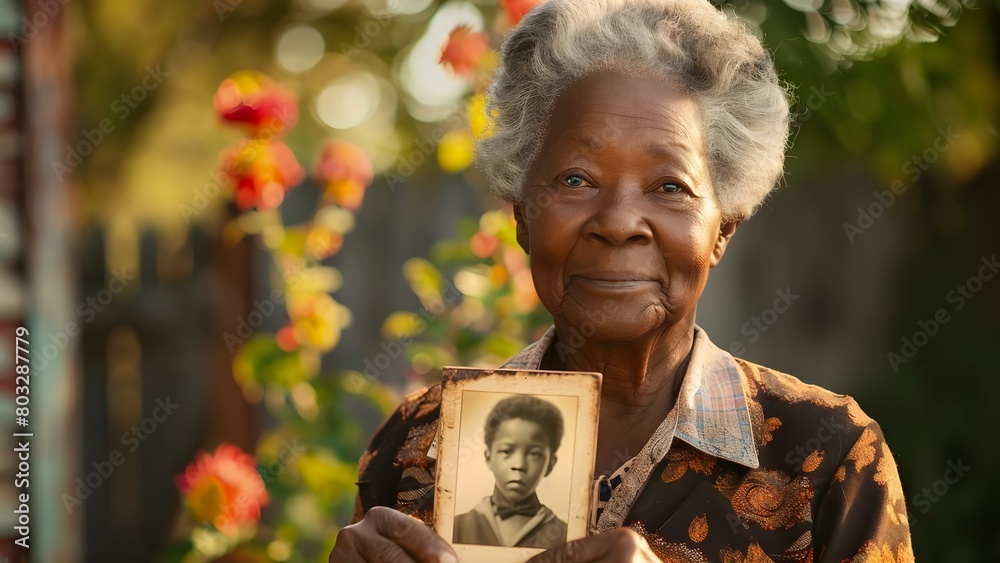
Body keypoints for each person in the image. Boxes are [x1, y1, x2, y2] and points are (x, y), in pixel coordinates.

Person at [331, 0, 914, 561]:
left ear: (723, 229)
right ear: (521, 214)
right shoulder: (413, 447)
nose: (617, 224)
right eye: (576, 179)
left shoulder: (828, 459)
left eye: (669, 187)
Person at [453, 395, 568, 548]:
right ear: (488, 457)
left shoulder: (565, 535)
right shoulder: (456, 527)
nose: (519, 465)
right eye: (507, 451)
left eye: (534, 454)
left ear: (550, 465)